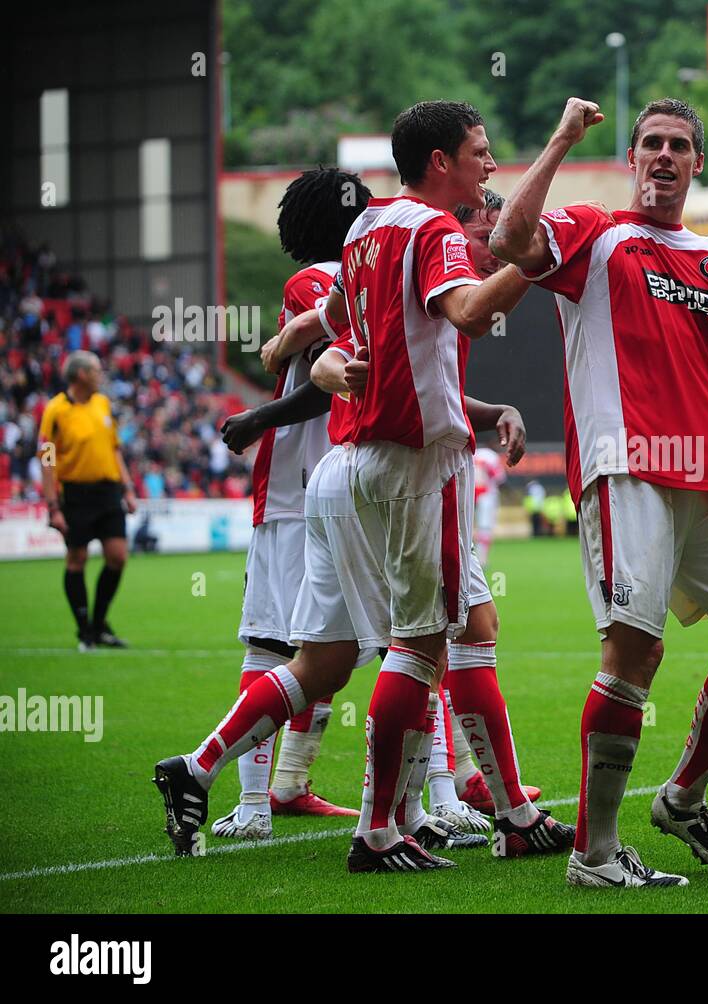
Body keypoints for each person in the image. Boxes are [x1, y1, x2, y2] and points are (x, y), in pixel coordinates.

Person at [154, 105, 572, 872]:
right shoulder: (435, 233)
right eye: (479, 155)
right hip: (410, 466)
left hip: (341, 473)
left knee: (327, 660)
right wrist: (537, 262)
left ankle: (202, 767)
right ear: (441, 162)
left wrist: (303, 347)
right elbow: (471, 316)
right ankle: (412, 819)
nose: (488, 170)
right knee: (437, 642)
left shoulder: (364, 229)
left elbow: (344, 316)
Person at [492, 96, 708, 887]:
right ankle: (595, 854)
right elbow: (508, 240)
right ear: (634, 158)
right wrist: (564, 136)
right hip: (629, 463)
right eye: (652, 144)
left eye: (680, 145)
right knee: (634, 652)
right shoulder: (593, 232)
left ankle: (681, 797)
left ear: (697, 164)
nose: (665, 156)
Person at [199, 168, 373, 841]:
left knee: (294, 645)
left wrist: (259, 410)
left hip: (307, 489)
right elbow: (339, 369)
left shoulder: (322, 280)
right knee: (301, 646)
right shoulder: (344, 277)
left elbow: (329, 363)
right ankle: (270, 795)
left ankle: (270, 796)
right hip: (318, 489)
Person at [39, 350, 138, 650]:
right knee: (77, 559)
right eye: (96, 370)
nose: (100, 374)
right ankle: (84, 632)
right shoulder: (56, 410)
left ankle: (99, 626)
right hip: (76, 494)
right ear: (81, 375)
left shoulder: (102, 403)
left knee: (118, 556)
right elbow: (47, 458)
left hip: (108, 492)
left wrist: (127, 487)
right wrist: (53, 505)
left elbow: (114, 449)